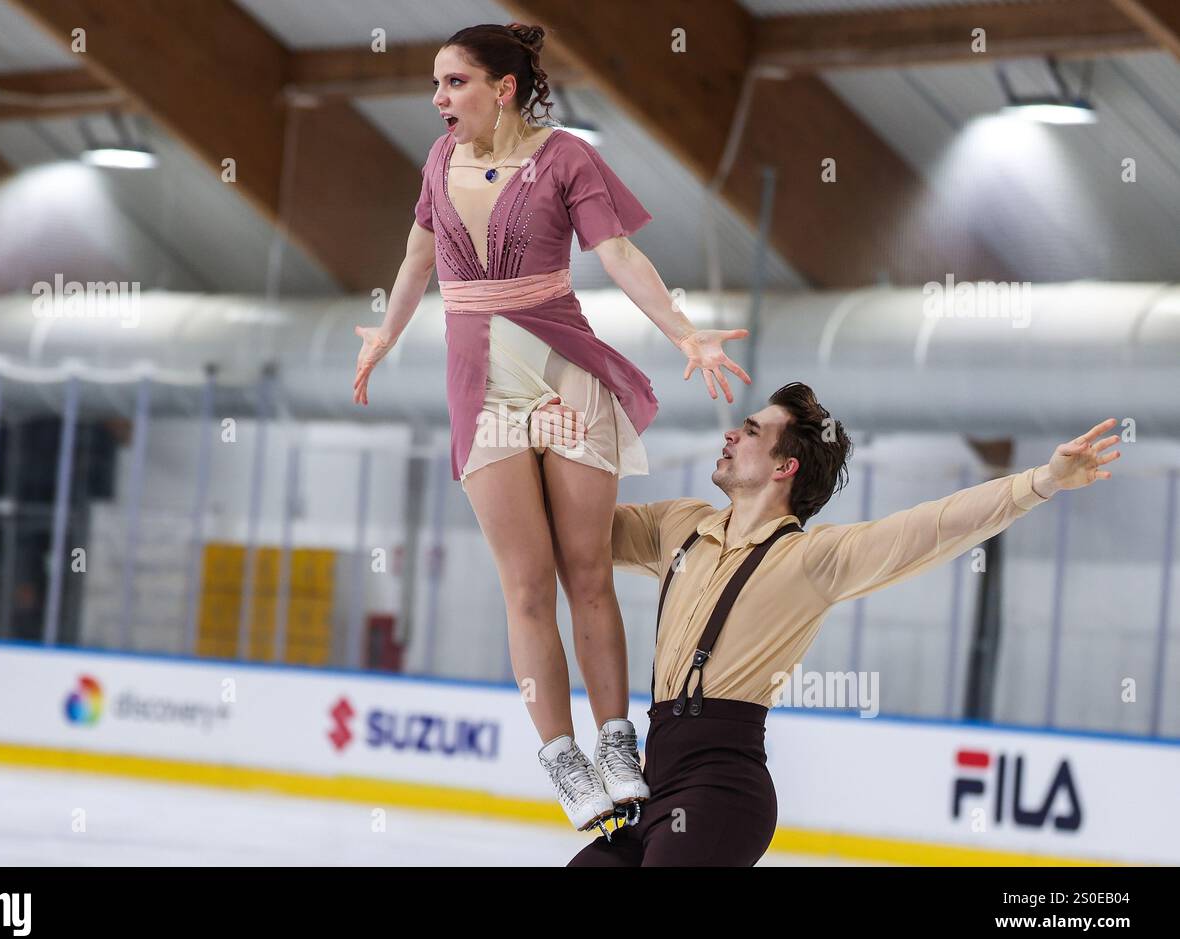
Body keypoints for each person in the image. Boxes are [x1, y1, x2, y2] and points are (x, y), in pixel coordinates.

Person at [351, 22, 750, 838]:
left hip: (564, 372)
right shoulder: (437, 163)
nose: (438, 100)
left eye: (453, 83)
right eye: (436, 84)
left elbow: (623, 256)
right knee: (526, 585)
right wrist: (385, 335)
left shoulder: (566, 157)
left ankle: (613, 742)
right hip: (482, 387)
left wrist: (685, 333)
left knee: (586, 568)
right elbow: (415, 260)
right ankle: (561, 756)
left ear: (502, 88)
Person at [529, 383, 1122, 866]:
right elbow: (573, 529)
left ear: (786, 466)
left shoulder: (812, 560)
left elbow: (933, 527)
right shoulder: (680, 525)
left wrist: (1041, 481)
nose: (731, 433)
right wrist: (544, 436)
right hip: (653, 782)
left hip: (722, 791)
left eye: (753, 430)